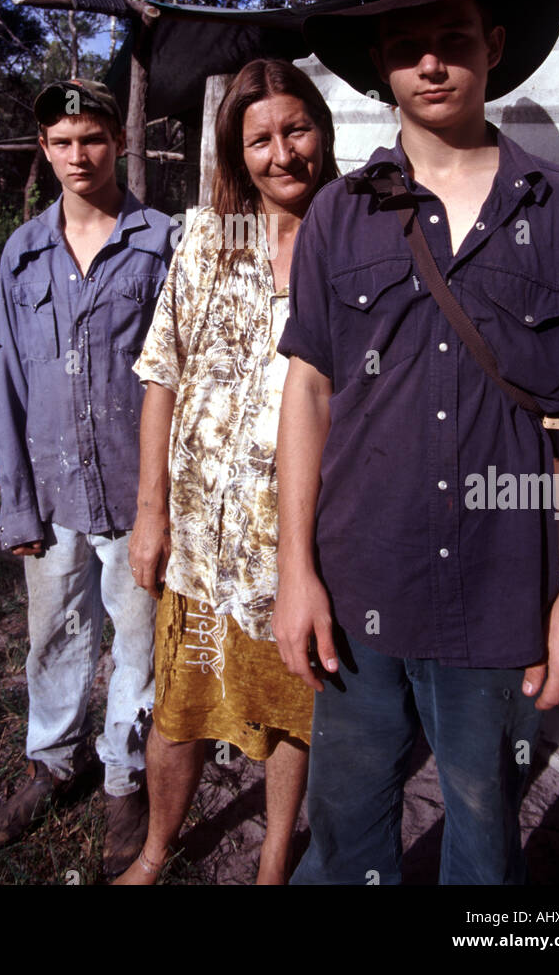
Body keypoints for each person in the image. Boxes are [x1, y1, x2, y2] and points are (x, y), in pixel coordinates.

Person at [273, 0, 559, 885]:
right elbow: (306, 391)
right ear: (380, 69)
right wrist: (293, 569)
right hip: (354, 587)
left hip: (496, 591)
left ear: (494, 46)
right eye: (404, 47)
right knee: (345, 833)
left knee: (482, 838)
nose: (431, 61)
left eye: (454, 38)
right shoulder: (338, 217)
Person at [114, 60, 339, 885]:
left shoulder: (349, 238)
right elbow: (161, 373)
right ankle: (153, 850)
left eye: (296, 129)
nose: (281, 153)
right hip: (200, 543)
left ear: (322, 130)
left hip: (293, 546)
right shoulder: (210, 235)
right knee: (179, 708)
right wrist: (150, 515)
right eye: (260, 139)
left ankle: (273, 860)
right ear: (234, 151)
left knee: (290, 712)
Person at [0, 78, 175, 875]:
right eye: (60, 142)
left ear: (117, 143)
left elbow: (180, 376)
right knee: (54, 636)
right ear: (43, 150)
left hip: (136, 494)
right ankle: (50, 761)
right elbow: (6, 384)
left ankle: (125, 778)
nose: (76, 155)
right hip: (54, 495)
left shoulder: (162, 241)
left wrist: (168, 502)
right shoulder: (21, 250)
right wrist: (15, 505)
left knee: (138, 642)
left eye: (90, 138)